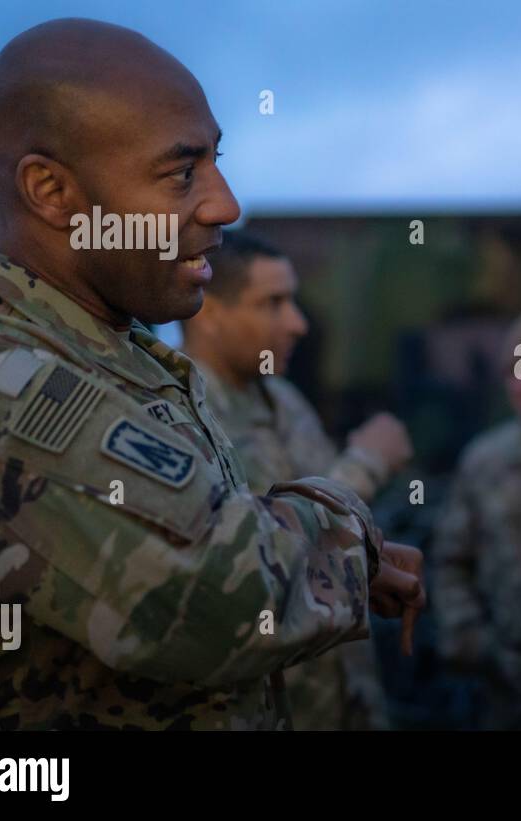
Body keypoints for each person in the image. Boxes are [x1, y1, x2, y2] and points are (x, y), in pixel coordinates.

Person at [0, 18, 423, 730]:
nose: (225, 204)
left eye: (216, 161)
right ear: (51, 191)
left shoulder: (107, 351)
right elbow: (213, 598)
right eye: (182, 172)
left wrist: (331, 558)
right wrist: (346, 527)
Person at [182, 230, 415, 730]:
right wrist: (366, 463)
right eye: (273, 303)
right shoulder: (182, 418)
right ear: (209, 311)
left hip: (346, 697)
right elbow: (242, 560)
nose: (298, 323)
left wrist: (372, 559)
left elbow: (321, 536)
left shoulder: (284, 399)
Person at [432, 304, 521, 729]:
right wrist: (472, 643)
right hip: (501, 688)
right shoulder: (484, 460)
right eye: (516, 369)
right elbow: (451, 559)